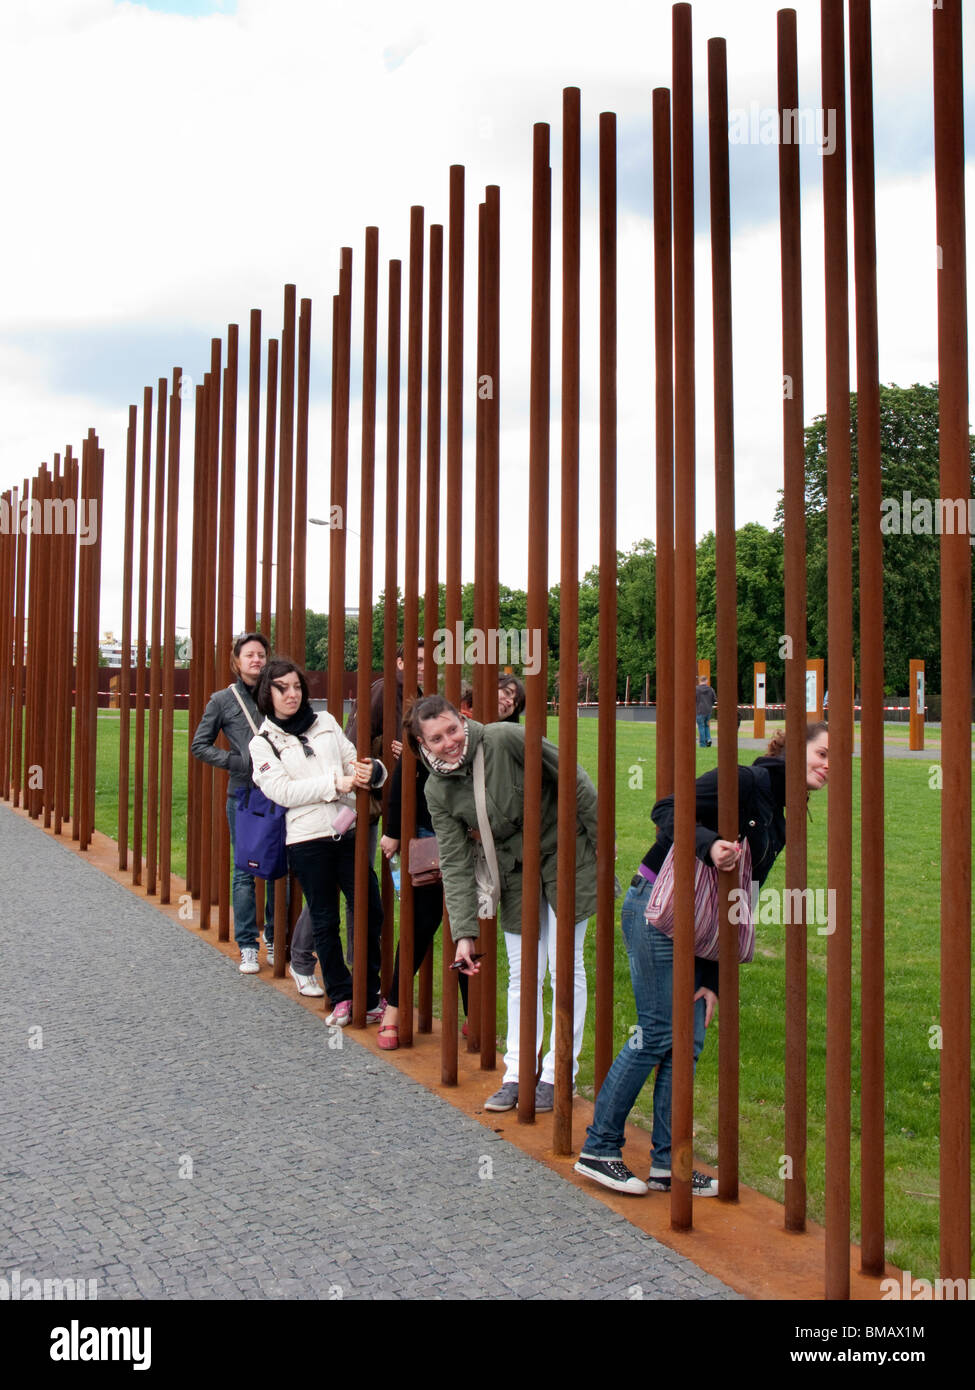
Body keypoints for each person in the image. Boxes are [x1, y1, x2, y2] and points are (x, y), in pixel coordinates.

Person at [575, 722, 829, 1196]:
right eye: (822, 753)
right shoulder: (746, 781)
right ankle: (599, 1147)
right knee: (657, 1032)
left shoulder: (780, 818)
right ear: (795, 751)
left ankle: (669, 1164)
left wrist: (712, 976)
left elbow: (742, 898)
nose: (829, 766)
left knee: (687, 1042)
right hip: (657, 906)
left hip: (700, 925)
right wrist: (710, 844)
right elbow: (667, 810)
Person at [407, 694, 598, 1113]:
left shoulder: (504, 738)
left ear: (463, 720)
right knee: (522, 973)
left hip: (566, 856)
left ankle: (557, 1070)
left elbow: (574, 780)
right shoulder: (436, 789)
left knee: (566, 965)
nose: (450, 742)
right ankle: (516, 1071)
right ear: (423, 744)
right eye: (437, 738)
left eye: (453, 729)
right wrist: (465, 934)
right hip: (513, 873)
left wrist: (602, 851)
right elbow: (455, 863)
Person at [249, 659, 387, 1026]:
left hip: (347, 831)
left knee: (371, 910)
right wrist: (334, 784)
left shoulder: (324, 722)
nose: (291, 694)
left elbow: (351, 761)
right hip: (307, 840)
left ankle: (370, 995)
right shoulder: (262, 743)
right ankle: (342, 994)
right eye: (282, 688)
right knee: (325, 920)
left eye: (296, 686)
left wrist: (372, 771)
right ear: (268, 693)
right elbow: (282, 791)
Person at [190, 631, 275, 974]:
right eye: (250, 655)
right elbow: (200, 745)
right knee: (244, 869)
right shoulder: (222, 700)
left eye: (261, 655)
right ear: (237, 661)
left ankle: (274, 935)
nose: (256, 660)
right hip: (243, 792)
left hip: (280, 792)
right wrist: (237, 762)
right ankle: (247, 945)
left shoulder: (278, 692)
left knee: (278, 868)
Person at [375, 747, 469, 1049]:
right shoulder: (424, 730)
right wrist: (392, 830)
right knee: (420, 924)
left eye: (510, 695)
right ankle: (394, 1009)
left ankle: (473, 1015)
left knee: (467, 927)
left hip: (469, 837)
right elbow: (402, 780)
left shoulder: (489, 728)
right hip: (429, 835)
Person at [696, 673, 716, 748]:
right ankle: (708, 739)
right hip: (708, 711)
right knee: (707, 726)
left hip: (699, 711)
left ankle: (702, 744)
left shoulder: (696, 689)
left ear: (699, 681)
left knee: (701, 727)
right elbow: (714, 699)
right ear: (706, 681)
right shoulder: (711, 689)